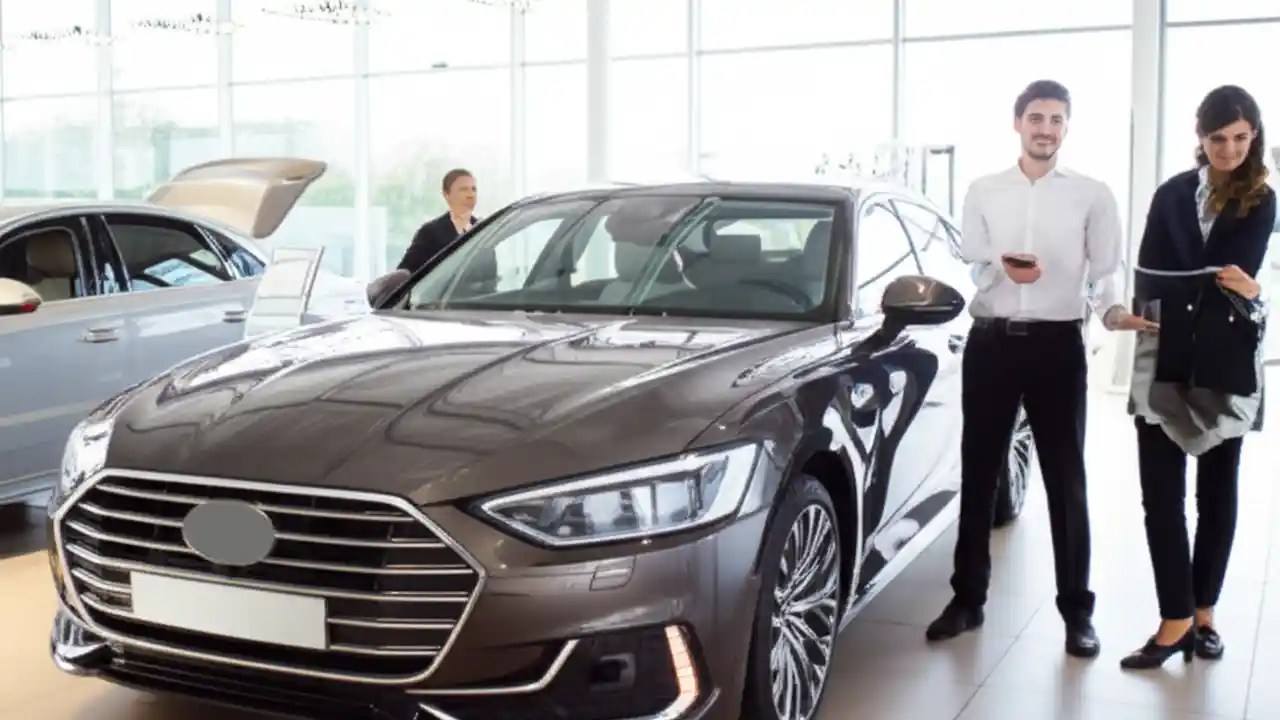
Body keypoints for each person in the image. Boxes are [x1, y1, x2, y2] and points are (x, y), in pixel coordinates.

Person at [925, 79, 1155, 657]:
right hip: (992, 343)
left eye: (1056, 119)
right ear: (1017, 123)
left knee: (1066, 482)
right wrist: (1002, 271)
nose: (1045, 128)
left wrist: (1115, 312)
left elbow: (1105, 276)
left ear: (1067, 127)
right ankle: (967, 600)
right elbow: (972, 269)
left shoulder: (1093, 195)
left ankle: (1077, 612)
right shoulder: (983, 191)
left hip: (1057, 347)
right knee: (978, 476)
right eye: (1036, 118)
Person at [1120, 85, 1275, 670]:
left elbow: (1243, 273)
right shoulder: (1171, 194)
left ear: (1253, 135)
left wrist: (1246, 287)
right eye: (1218, 139)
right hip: (1164, 350)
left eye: (1241, 137)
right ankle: (1175, 616)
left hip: (1225, 356)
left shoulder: (1262, 199)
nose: (1230, 149)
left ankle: (1204, 613)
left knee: (1218, 491)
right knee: (1159, 496)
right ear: (1200, 137)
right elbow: (1150, 272)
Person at [396, 168, 480, 273]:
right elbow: (405, 274)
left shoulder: (484, 230)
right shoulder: (429, 233)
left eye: (474, 189)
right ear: (446, 194)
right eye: (463, 189)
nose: (470, 195)